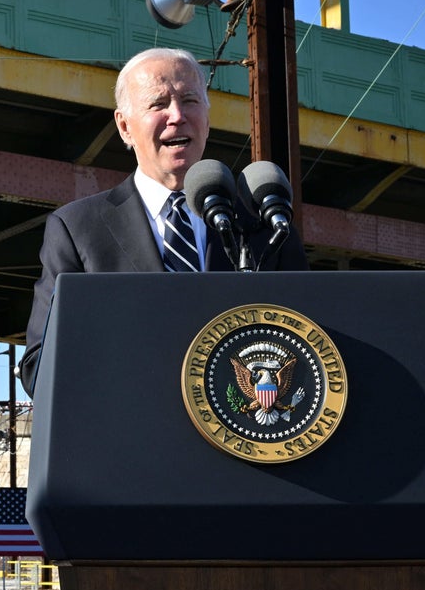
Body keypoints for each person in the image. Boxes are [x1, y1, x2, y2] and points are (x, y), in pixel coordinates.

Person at [19, 47, 308, 396]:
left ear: (207, 117)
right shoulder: (77, 229)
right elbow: (38, 369)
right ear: (124, 127)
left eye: (190, 101)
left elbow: (311, 344)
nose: (177, 115)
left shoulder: (265, 221)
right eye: (158, 104)